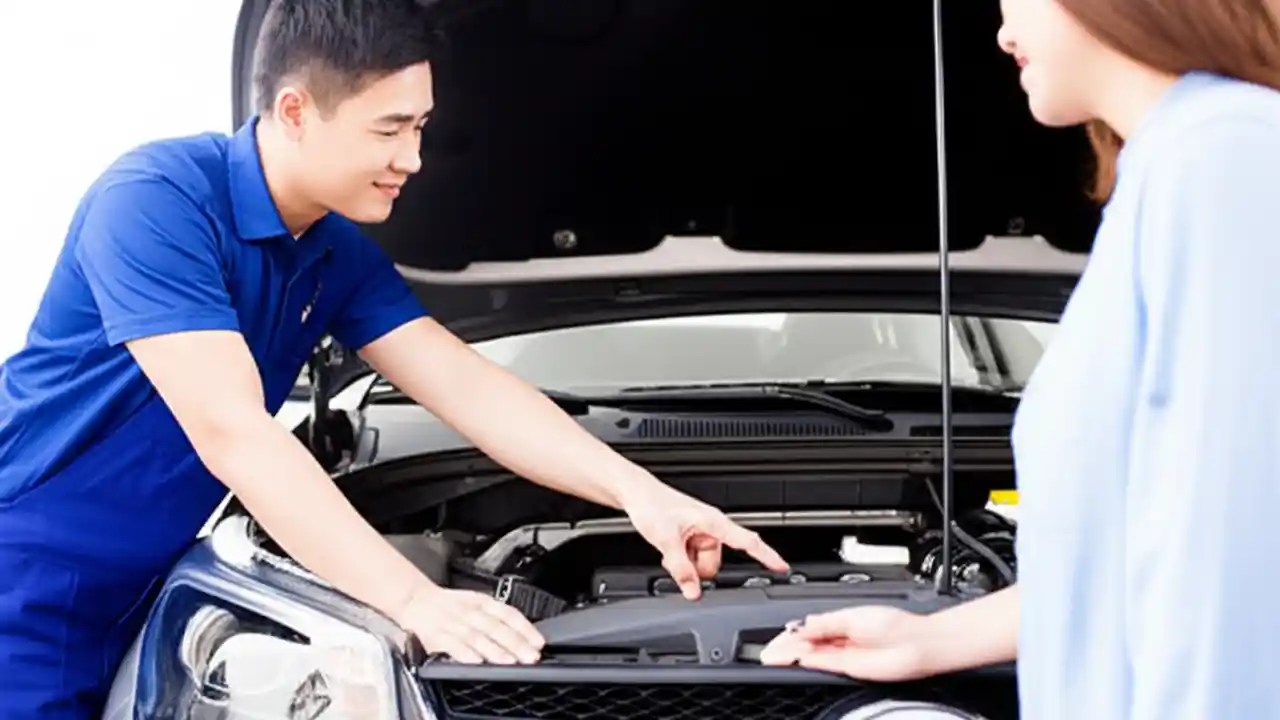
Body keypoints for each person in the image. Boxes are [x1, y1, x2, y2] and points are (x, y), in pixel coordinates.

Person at [0, 1, 790, 717]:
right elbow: (234, 433)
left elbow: (470, 388)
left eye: (420, 127)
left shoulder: (335, 254)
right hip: (22, 582)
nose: (413, 158)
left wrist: (642, 496)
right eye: (389, 129)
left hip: (134, 590)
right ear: (295, 110)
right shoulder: (156, 200)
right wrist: (414, 601)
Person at [761, 1, 1280, 718]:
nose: (1002, 34)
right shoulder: (1178, 165)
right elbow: (1128, 563)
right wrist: (930, 641)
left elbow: (1240, 569)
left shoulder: (1226, 155)